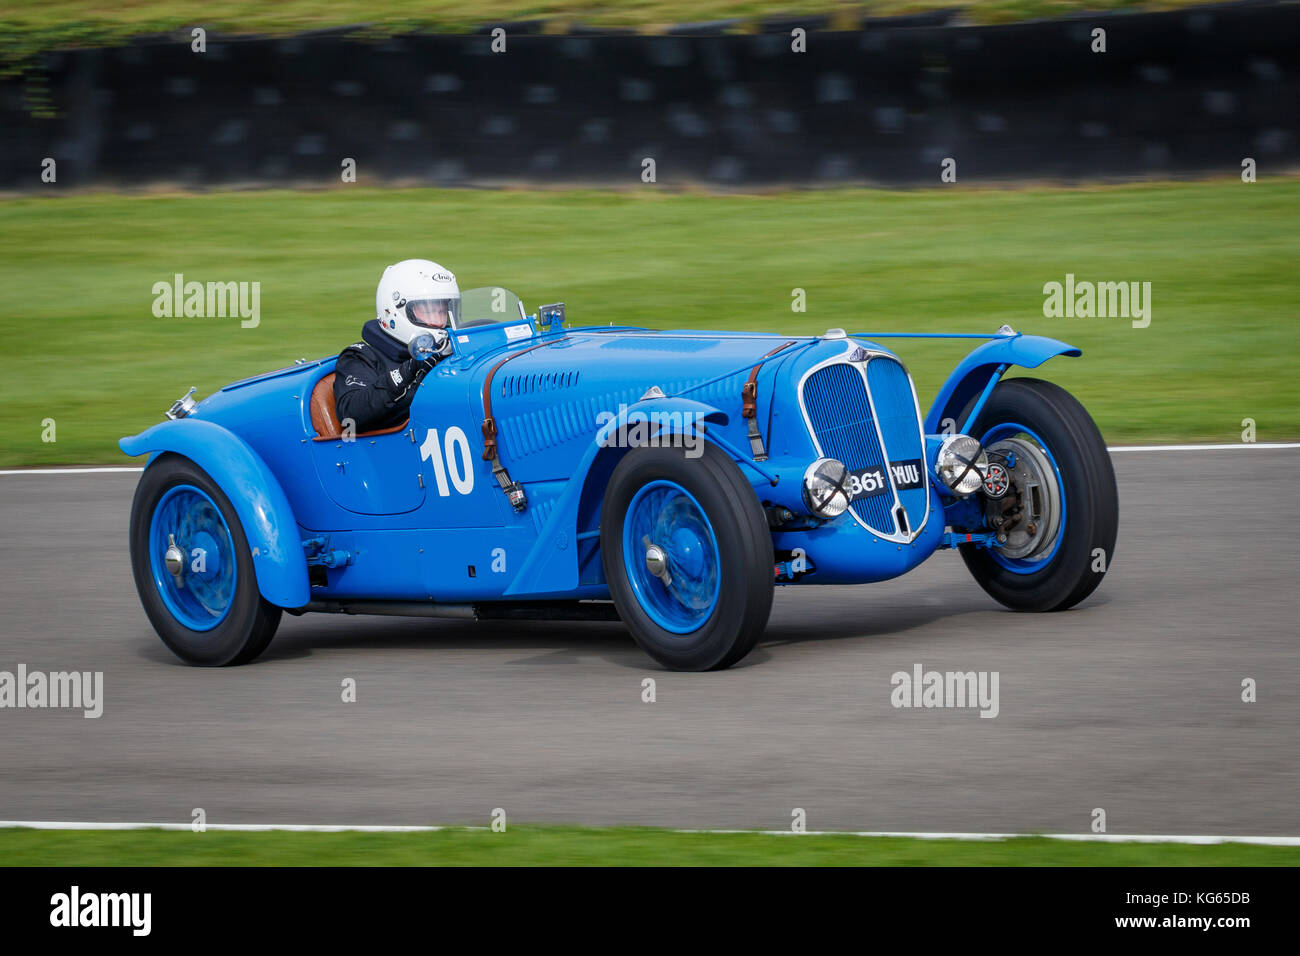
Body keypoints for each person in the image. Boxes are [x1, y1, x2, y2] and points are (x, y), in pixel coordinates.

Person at [335, 259, 458, 433]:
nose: (439, 322)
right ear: (394, 310)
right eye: (429, 310)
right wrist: (408, 371)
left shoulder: (450, 347)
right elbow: (351, 416)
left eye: (442, 311)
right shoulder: (359, 357)